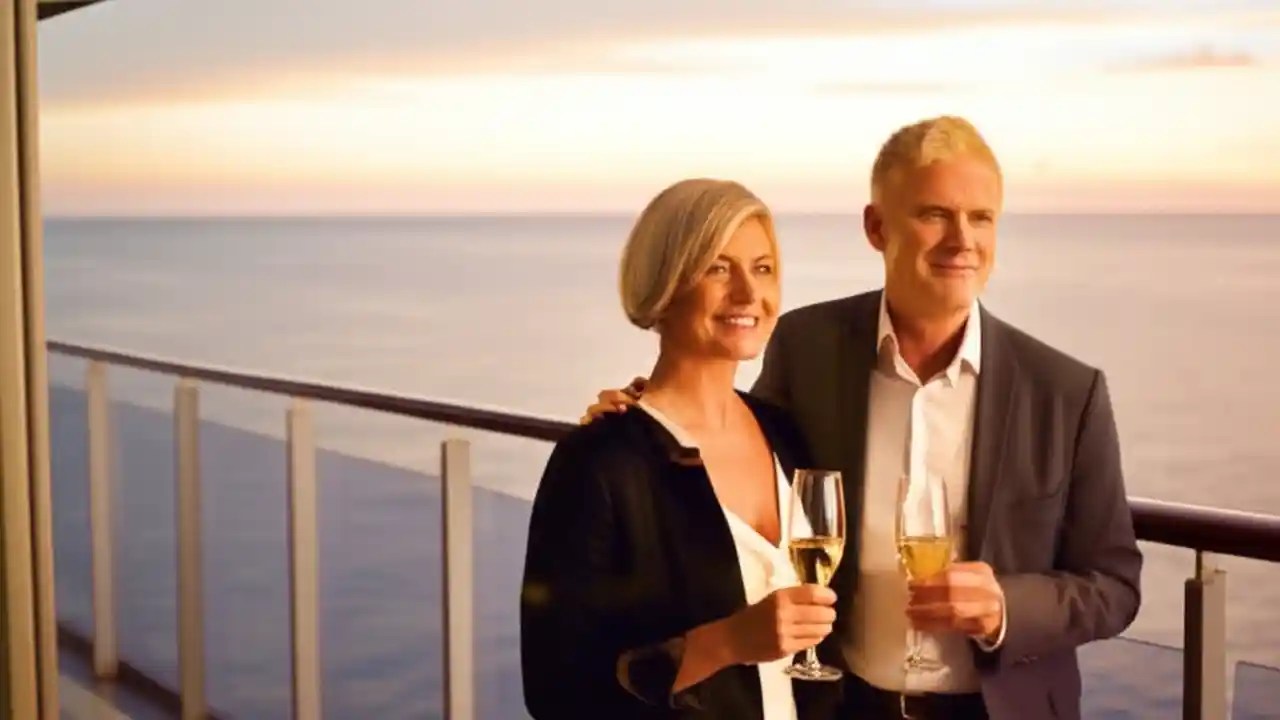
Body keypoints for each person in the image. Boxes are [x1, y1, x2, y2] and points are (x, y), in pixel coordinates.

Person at [580, 116, 1143, 720]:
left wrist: (1007, 606)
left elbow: (1114, 586)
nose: (962, 240)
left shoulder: (1066, 392)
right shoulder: (808, 345)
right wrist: (648, 414)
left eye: (981, 217)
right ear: (876, 227)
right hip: (845, 706)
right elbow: (746, 442)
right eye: (934, 215)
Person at [520, 178, 843, 719]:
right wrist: (727, 642)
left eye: (762, 268)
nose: (747, 293)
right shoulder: (599, 463)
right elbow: (555, 691)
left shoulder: (784, 432)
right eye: (718, 268)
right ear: (664, 285)